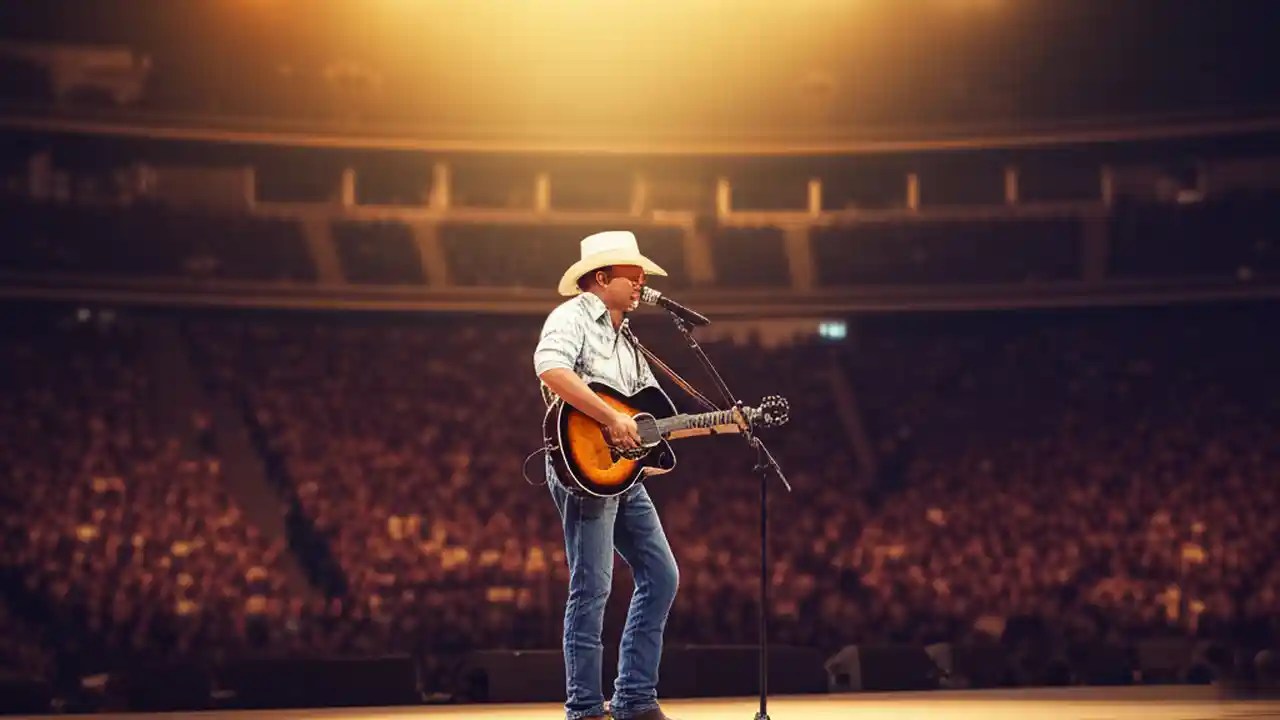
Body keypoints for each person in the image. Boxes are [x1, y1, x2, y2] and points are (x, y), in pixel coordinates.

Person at [533, 230, 681, 720]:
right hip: (583, 469)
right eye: (633, 274)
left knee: (661, 575)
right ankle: (584, 708)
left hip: (623, 476)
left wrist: (717, 424)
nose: (641, 282)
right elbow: (550, 368)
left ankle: (635, 698)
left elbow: (649, 417)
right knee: (592, 586)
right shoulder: (571, 316)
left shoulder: (629, 341)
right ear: (601, 277)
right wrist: (609, 419)